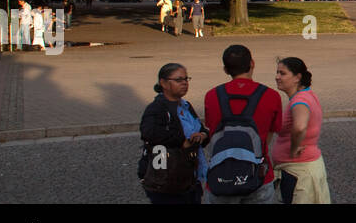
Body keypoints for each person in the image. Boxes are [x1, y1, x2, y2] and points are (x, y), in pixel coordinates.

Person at [203, 44, 283, 203]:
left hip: (221, 173)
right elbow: (269, 135)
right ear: (252, 63)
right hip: (258, 173)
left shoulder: (212, 95)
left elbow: (212, 129)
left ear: (225, 69)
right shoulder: (271, 96)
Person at [139, 62, 207, 204]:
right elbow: (149, 133)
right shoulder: (156, 108)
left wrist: (203, 135)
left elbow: (200, 128)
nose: (184, 83)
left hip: (189, 178)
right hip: (166, 180)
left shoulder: (186, 106)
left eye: (186, 79)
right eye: (178, 80)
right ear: (163, 83)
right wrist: (183, 141)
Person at [272, 57, 331, 204]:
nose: (277, 77)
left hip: (299, 173)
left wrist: (294, 147)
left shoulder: (300, 100)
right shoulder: (306, 95)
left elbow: (300, 127)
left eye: (282, 73)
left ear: (297, 77)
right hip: (301, 170)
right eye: (277, 72)